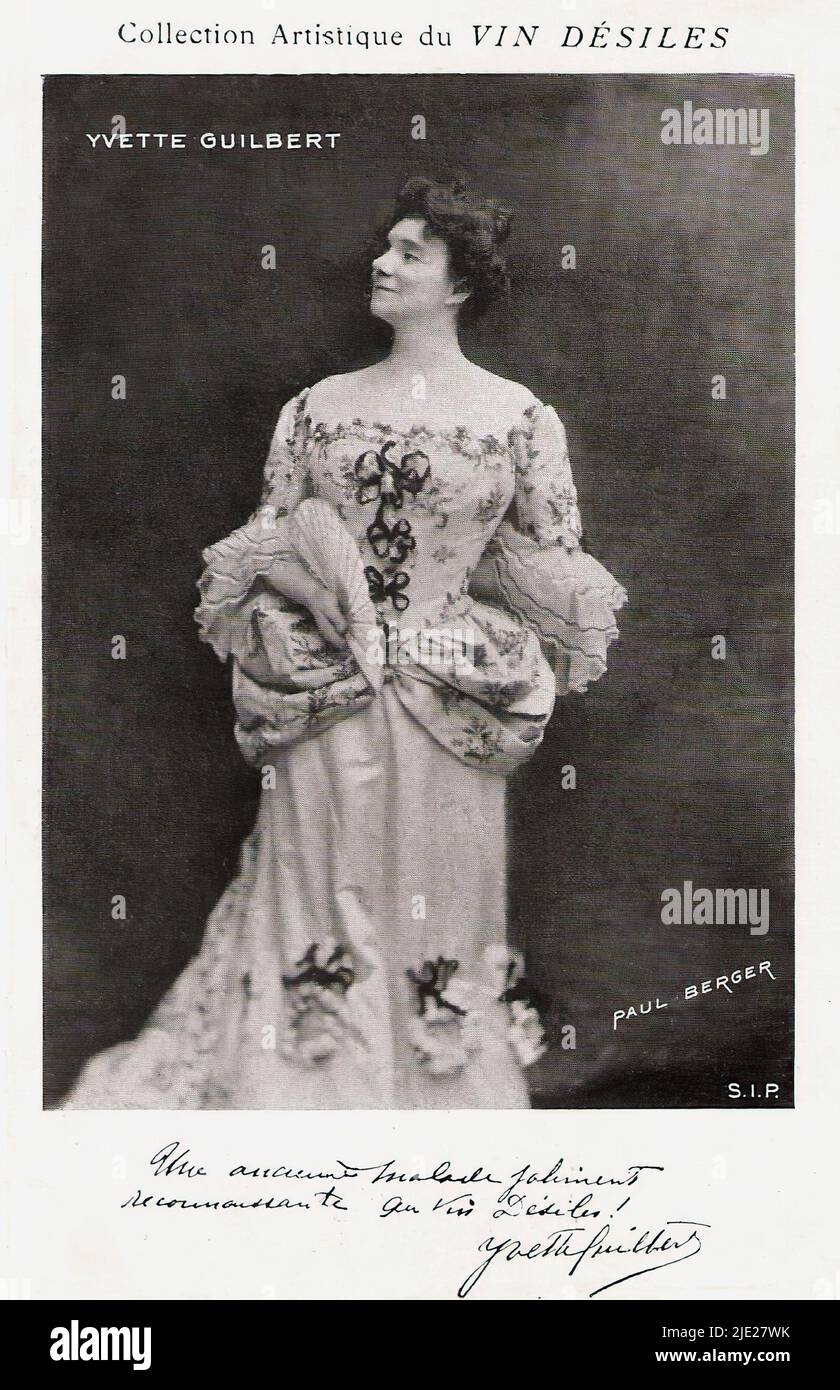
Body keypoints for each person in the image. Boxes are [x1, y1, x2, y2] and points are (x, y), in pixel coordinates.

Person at [62, 175, 628, 1110]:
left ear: (459, 286)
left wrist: (452, 636)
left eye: (412, 252)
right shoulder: (317, 407)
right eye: (387, 245)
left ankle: (437, 1089)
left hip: (454, 694)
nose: (383, 261)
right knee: (320, 887)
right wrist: (336, 618)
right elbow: (270, 544)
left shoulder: (519, 417)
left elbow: (548, 569)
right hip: (331, 684)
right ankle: (306, 1092)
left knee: (438, 898)